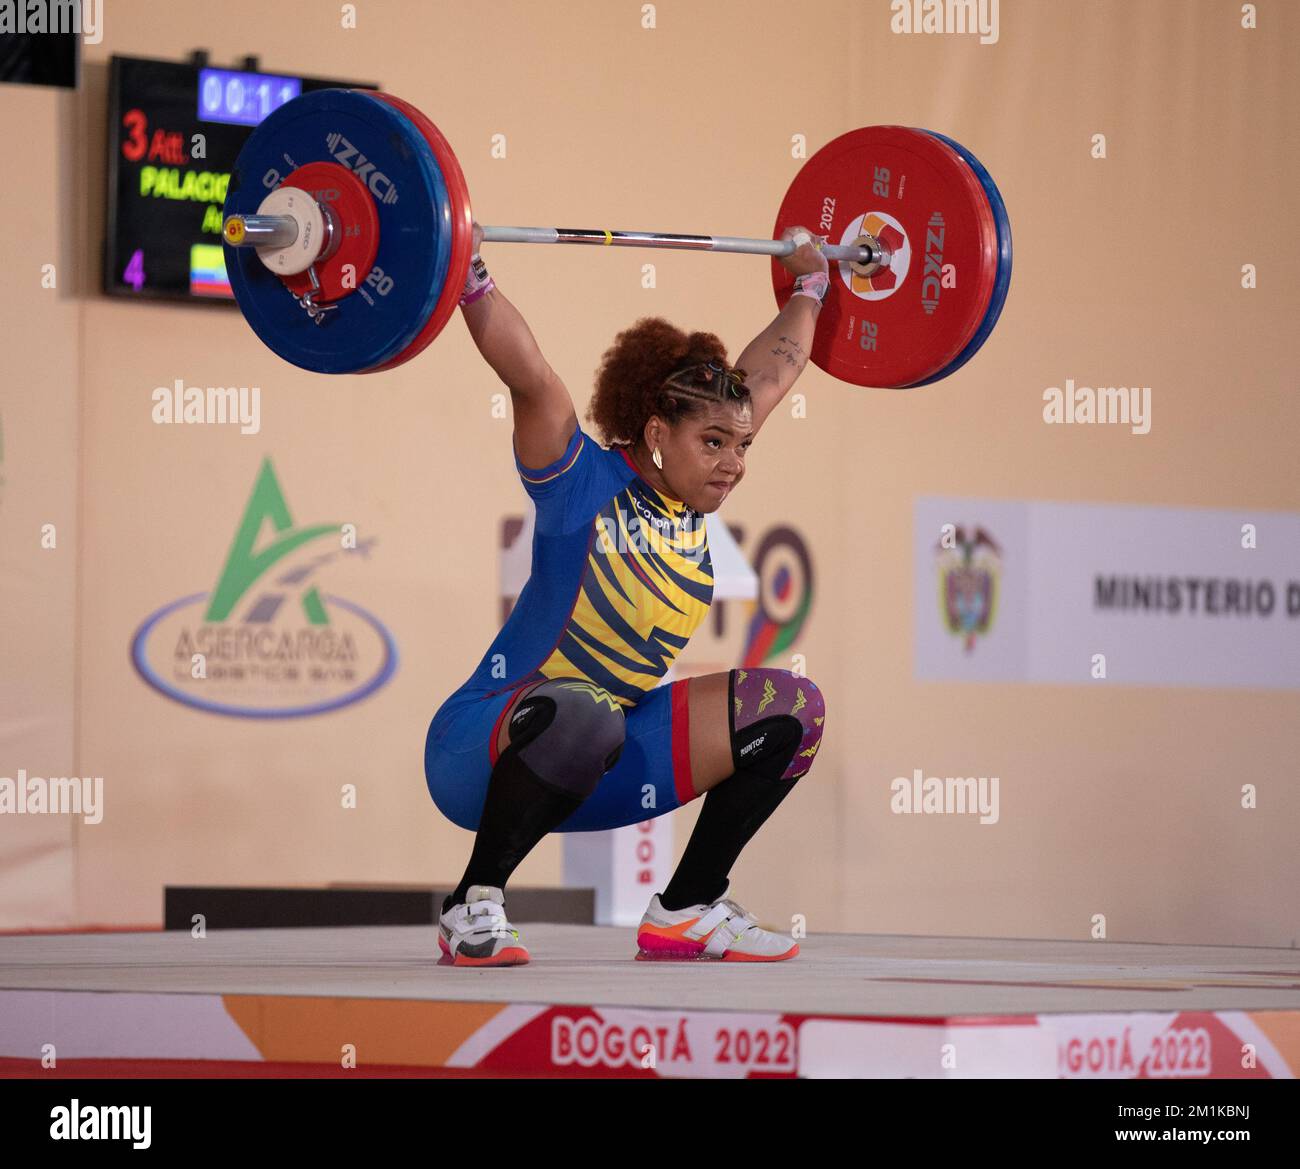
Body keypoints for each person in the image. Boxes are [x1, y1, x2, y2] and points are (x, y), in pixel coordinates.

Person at [425, 221, 831, 965]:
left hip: (610, 758)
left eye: (743, 444)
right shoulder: (580, 481)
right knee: (587, 709)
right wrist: (467, 269)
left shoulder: (692, 493)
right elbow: (530, 377)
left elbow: (771, 374)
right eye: (715, 442)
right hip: (481, 754)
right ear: (656, 433)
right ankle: (473, 902)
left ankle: (687, 907)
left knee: (793, 709)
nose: (734, 462)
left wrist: (812, 284)